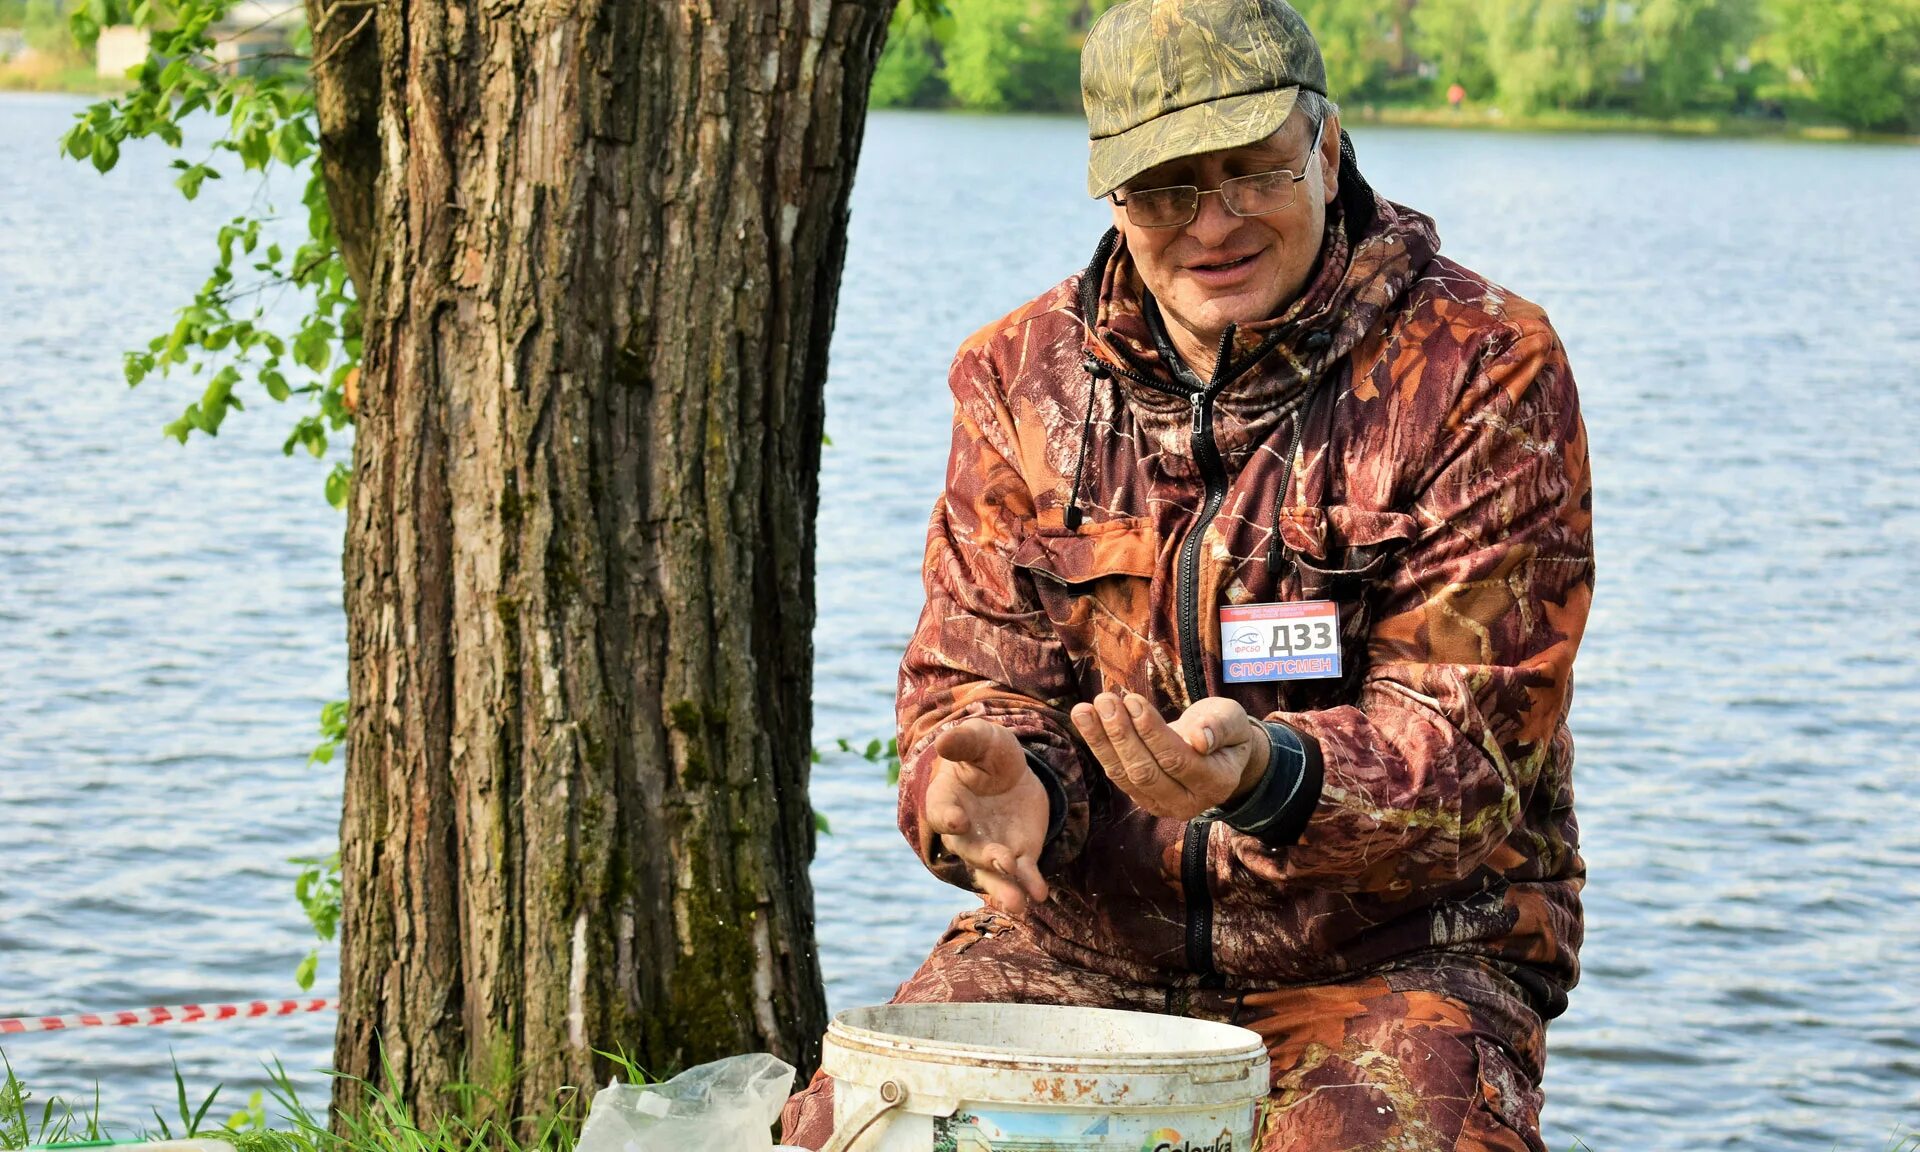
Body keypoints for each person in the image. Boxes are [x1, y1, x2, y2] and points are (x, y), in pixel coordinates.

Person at [782, 0, 1593, 1147]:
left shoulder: (1483, 366)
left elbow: (1471, 753)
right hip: (1079, 948)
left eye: (1251, 170)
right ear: (1113, 196)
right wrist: (1003, 791)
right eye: (1165, 190)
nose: (1213, 224)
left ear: (1327, 147)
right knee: (844, 1131)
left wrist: (1267, 771)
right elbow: (974, 681)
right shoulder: (1017, 379)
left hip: (1393, 956)